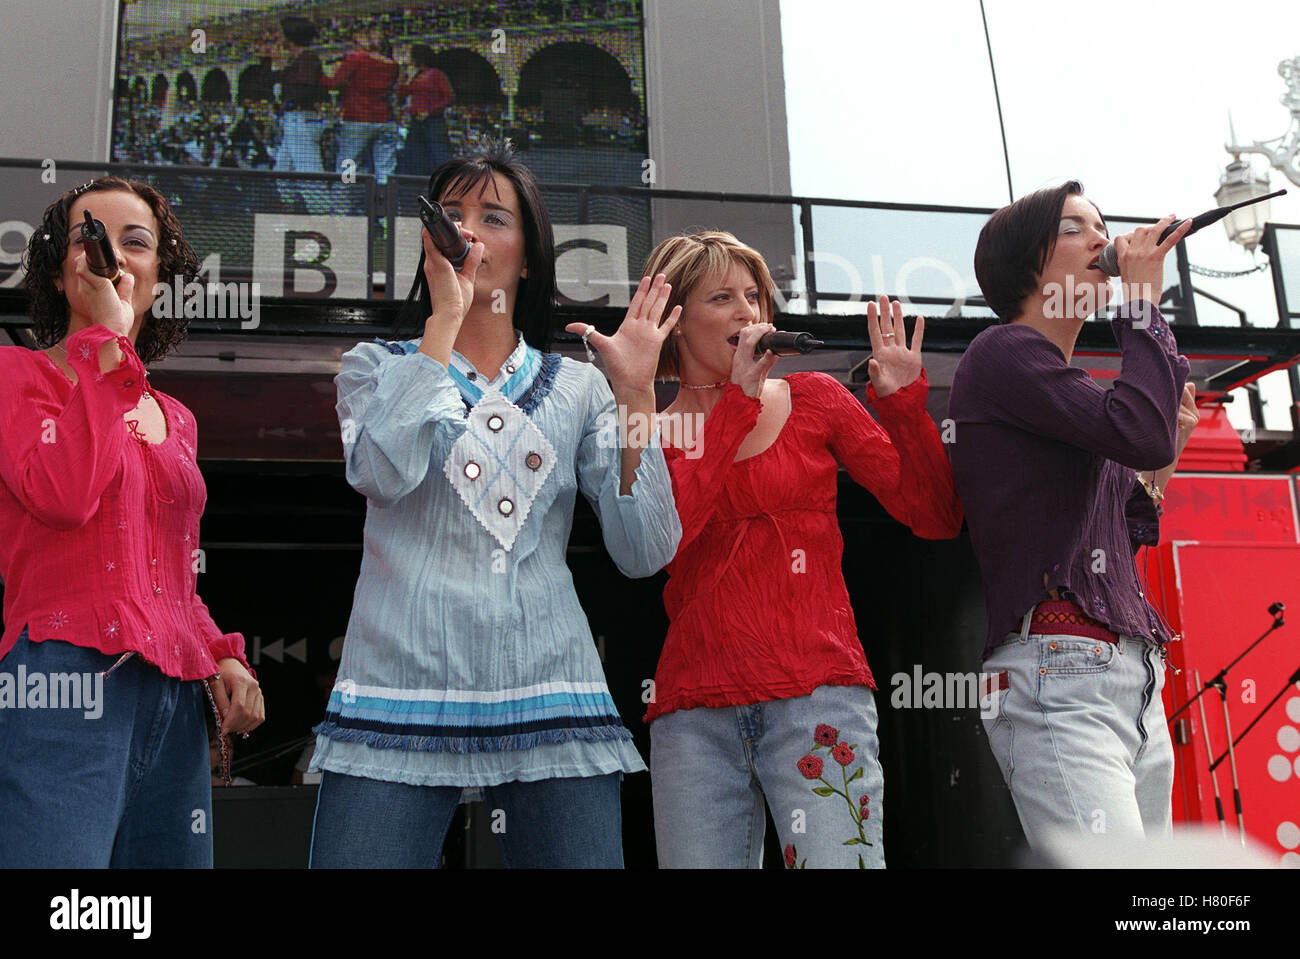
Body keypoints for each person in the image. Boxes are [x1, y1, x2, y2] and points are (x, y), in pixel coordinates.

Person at [307, 141, 681, 869]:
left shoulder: (578, 386)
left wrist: (637, 395)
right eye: (450, 214)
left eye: (493, 216)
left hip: (552, 688)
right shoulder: (373, 366)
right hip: (396, 691)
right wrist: (442, 324)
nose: (467, 229)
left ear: (530, 257)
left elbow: (646, 548)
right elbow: (380, 473)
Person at [642, 231, 963, 868]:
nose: (748, 313)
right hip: (694, 709)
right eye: (722, 297)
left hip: (818, 692)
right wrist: (735, 402)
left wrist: (902, 403)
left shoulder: (815, 397)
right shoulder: (650, 427)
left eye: (756, 296)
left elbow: (934, 517)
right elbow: (667, 533)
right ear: (676, 320)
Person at [0, 177, 264, 868]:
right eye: (91, 238)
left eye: (136, 241)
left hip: (174, 693)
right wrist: (104, 348)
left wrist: (220, 649)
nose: (113, 254)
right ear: (62, 273)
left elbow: (169, 575)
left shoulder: (178, 418)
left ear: (158, 275)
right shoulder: (15, 376)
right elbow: (63, 495)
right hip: (64, 678)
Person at [947, 182, 1198, 849]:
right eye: (1073, 227)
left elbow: (1126, 525)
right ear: (1024, 260)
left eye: (1102, 224)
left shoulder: (1068, 388)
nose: (1101, 239)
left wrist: (1166, 457)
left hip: (1130, 674)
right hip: (1061, 670)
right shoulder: (1002, 353)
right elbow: (1140, 430)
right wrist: (1142, 302)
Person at [395, 44, 454, 176]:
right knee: (414, 155)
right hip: (416, 121)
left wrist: (431, 111)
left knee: (438, 152)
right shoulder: (416, 76)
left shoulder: (436, 74)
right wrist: (402, 76)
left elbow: (448, 96)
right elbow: (401, 93)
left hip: (432, 120)